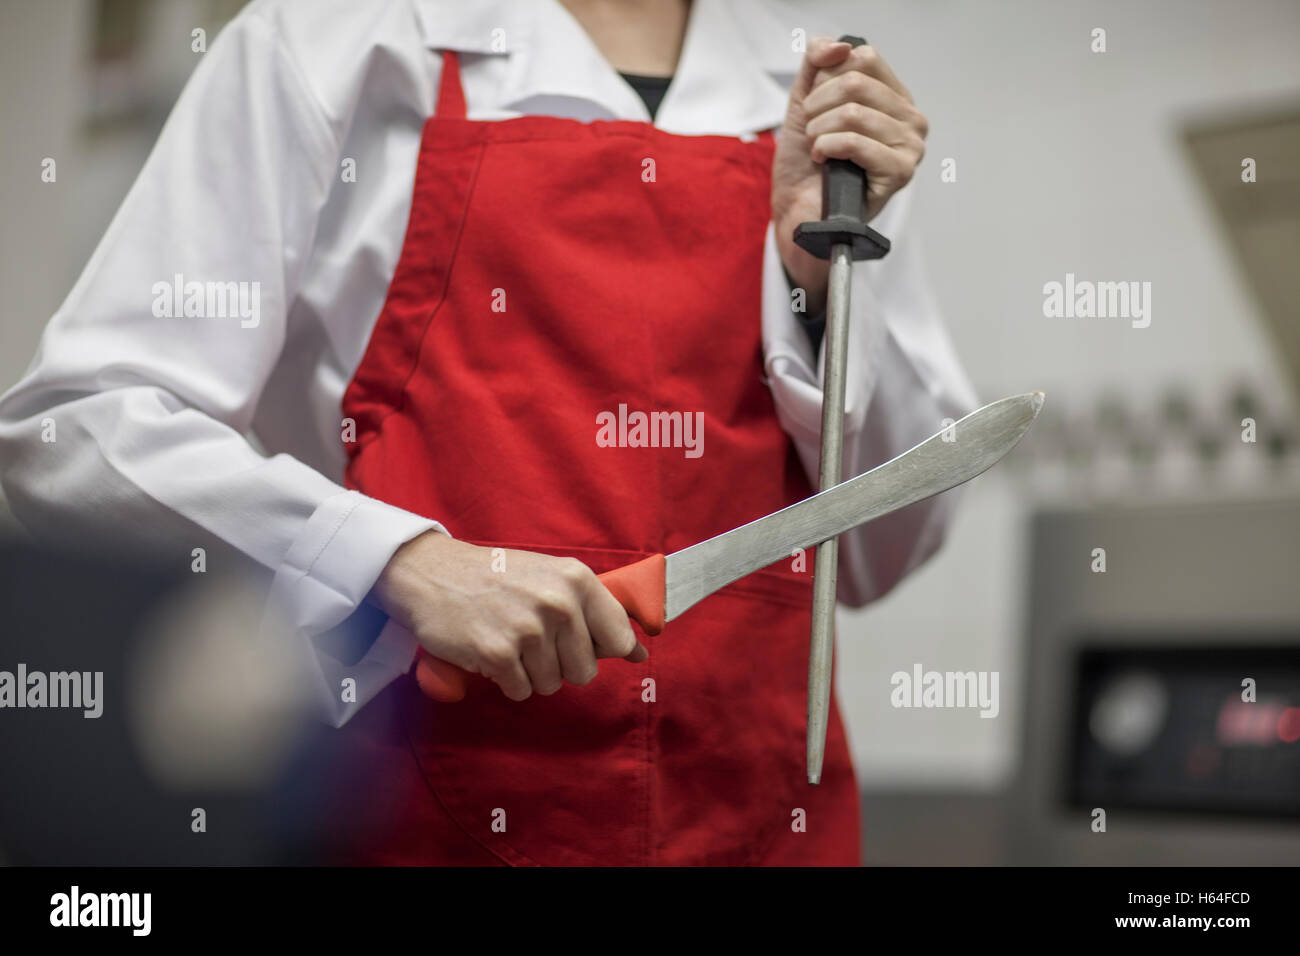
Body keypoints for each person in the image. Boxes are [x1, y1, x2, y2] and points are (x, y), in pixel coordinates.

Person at [0, 0, 977, 865]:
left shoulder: (824, 109)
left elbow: (884, 550)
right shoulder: (330, 43)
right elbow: (73, 427)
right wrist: (399, 558)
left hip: (765, 814)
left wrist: (813, 291)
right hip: (408, 812)